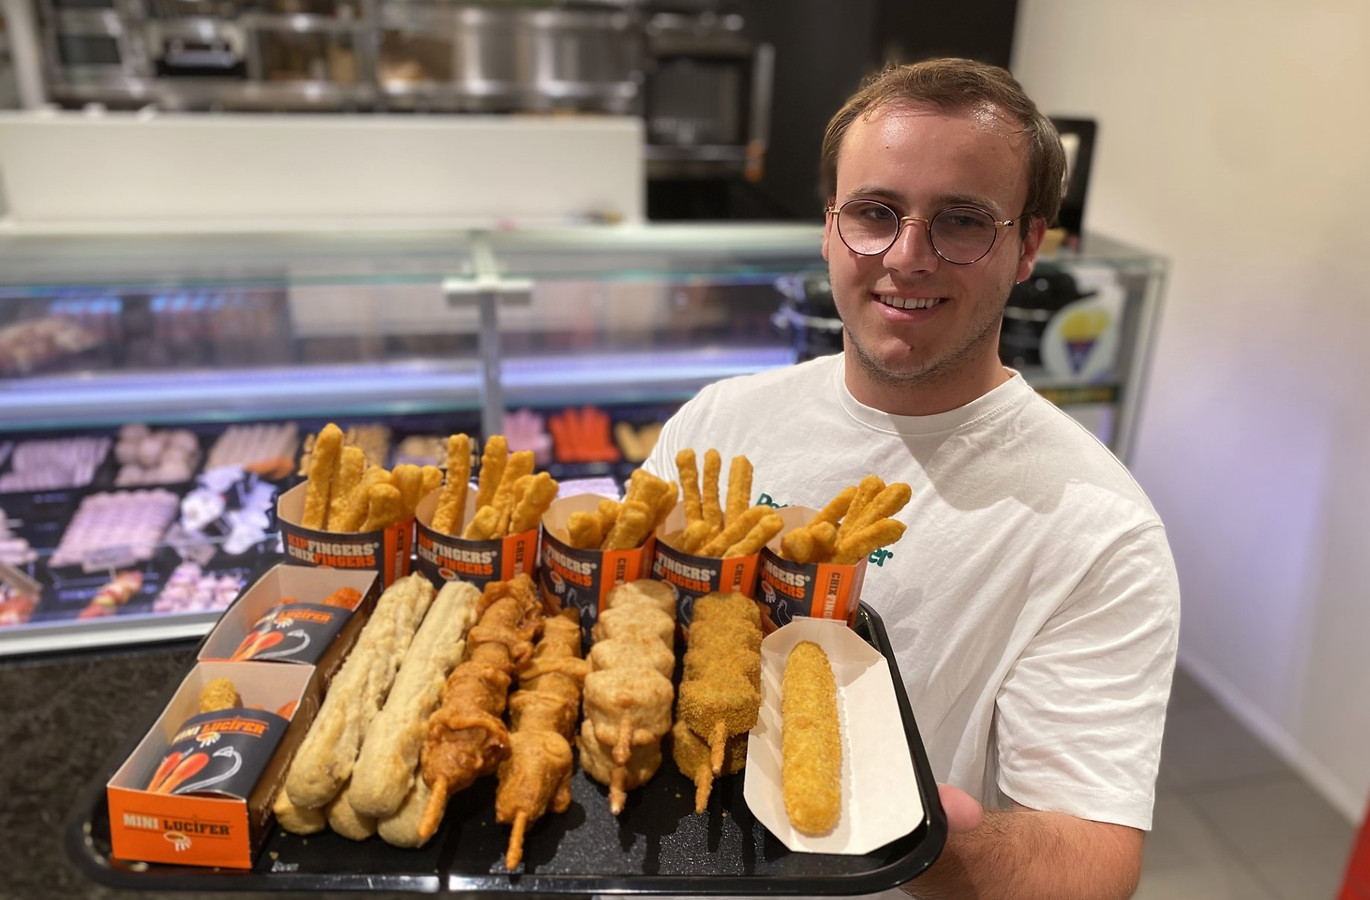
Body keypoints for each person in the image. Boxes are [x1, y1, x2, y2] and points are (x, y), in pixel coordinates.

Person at [644, 57, 1179, 900]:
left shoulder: (1099, 529)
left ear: (1029, 245)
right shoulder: (713, 425)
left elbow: (1093, 861)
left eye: (963, 222)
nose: (907, 255)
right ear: (829, 228)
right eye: (874, 212)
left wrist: (916, 838)